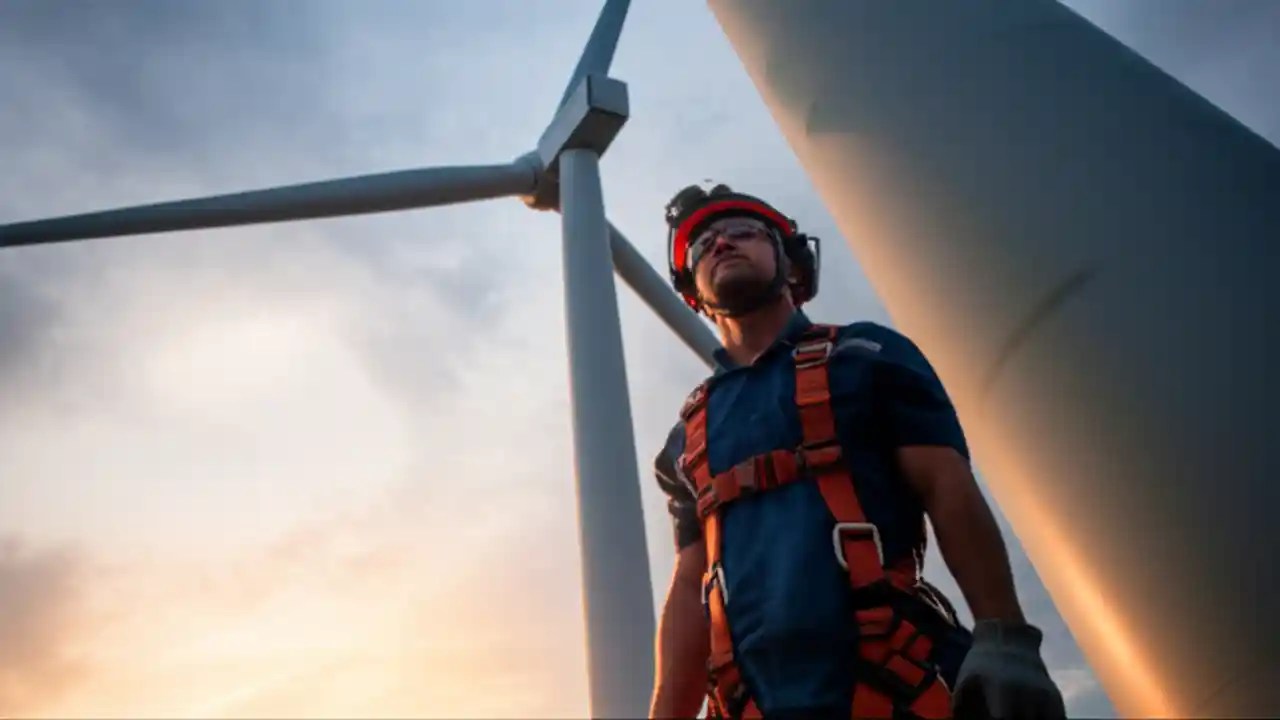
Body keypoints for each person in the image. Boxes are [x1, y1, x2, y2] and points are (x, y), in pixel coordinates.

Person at [648, 183, 1067, 720]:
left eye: (743, 232)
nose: (722, 244)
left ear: (792, 265)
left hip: (897, 688)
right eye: (703, 246)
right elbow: (690, 586)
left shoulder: (865, 353)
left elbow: (945, 484)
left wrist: (1004, 637)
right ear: (694, 294)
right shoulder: (684, 438)